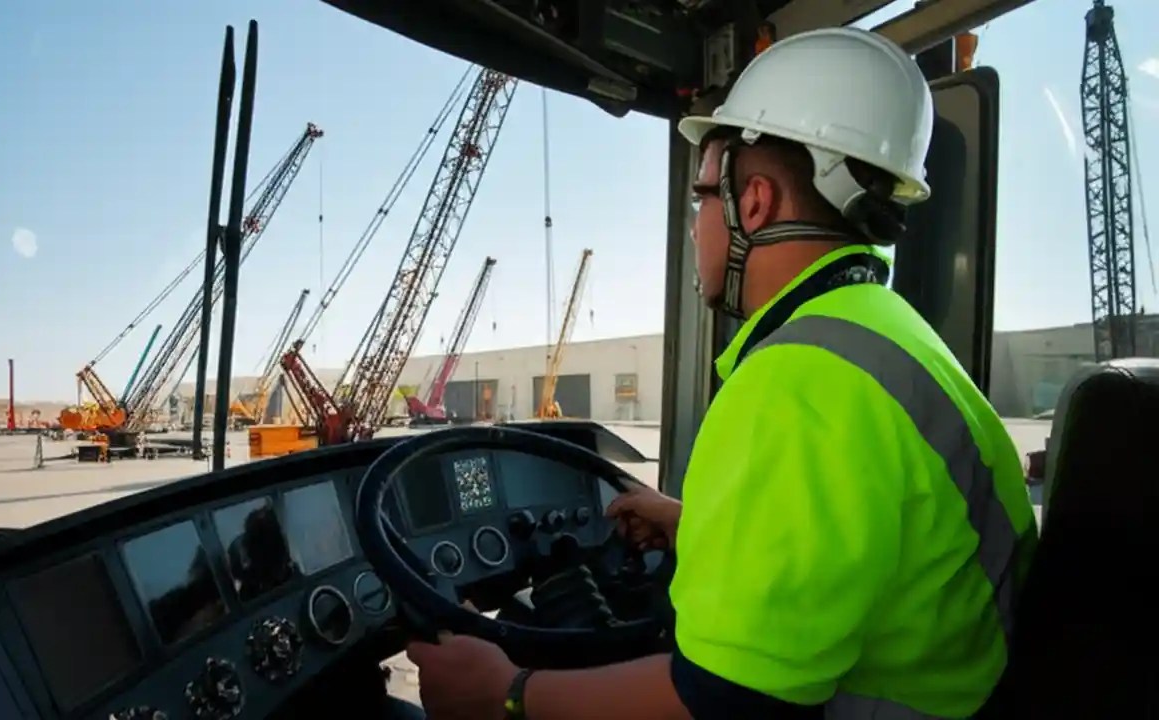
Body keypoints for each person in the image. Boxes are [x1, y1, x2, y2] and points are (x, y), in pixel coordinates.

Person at [406, 26, 1039, 720]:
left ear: (756, 203)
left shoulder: (796, 383)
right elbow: (864, 540)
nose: (697, 224)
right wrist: (698, 524)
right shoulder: (890, 337)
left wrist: (504, 692)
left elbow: (721, 705)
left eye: (701, 198)